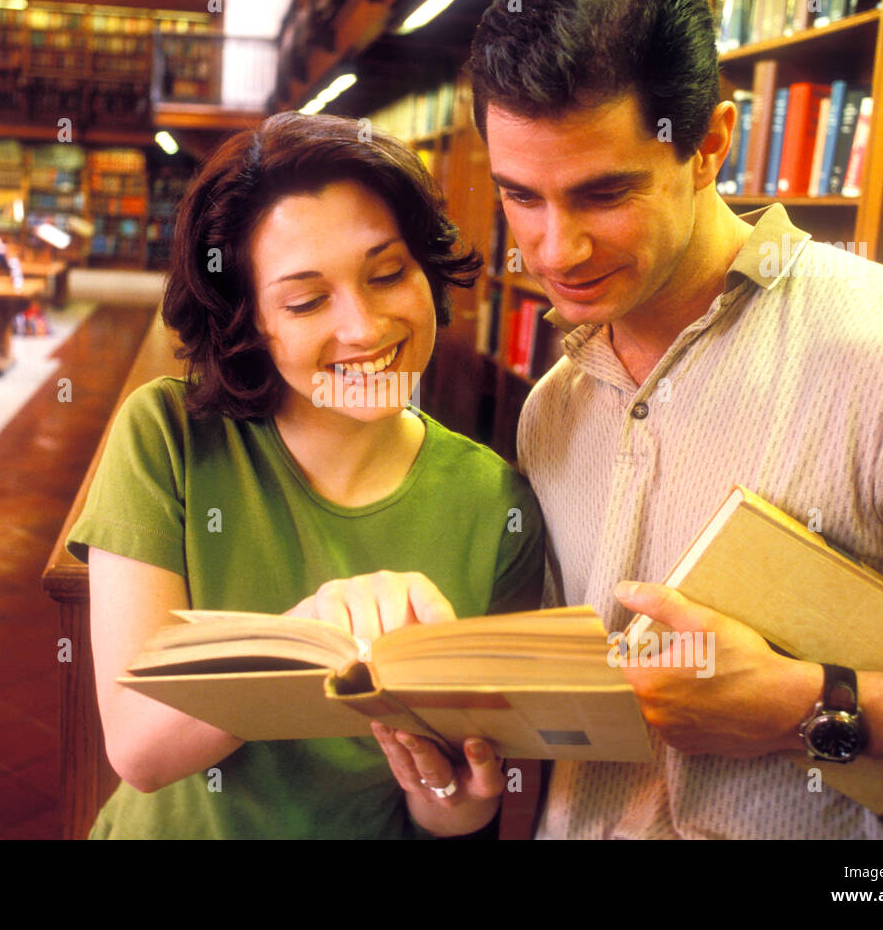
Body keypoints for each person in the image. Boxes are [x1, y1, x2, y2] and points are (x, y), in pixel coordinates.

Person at [451, 0, 883, 839]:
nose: (556, 251)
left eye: (604, 194)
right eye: (522, 197)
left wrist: (804, 705)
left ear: (711, 143)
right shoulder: (550, 409)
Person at [65, 112, 545, 839]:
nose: (364, 328)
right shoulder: (170, 435)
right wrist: (311, 635)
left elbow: (452, 807)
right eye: (306, 301)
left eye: (388, 274)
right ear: (249, 320)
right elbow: (140, 747)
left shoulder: (495, 502)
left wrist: (453, 792)